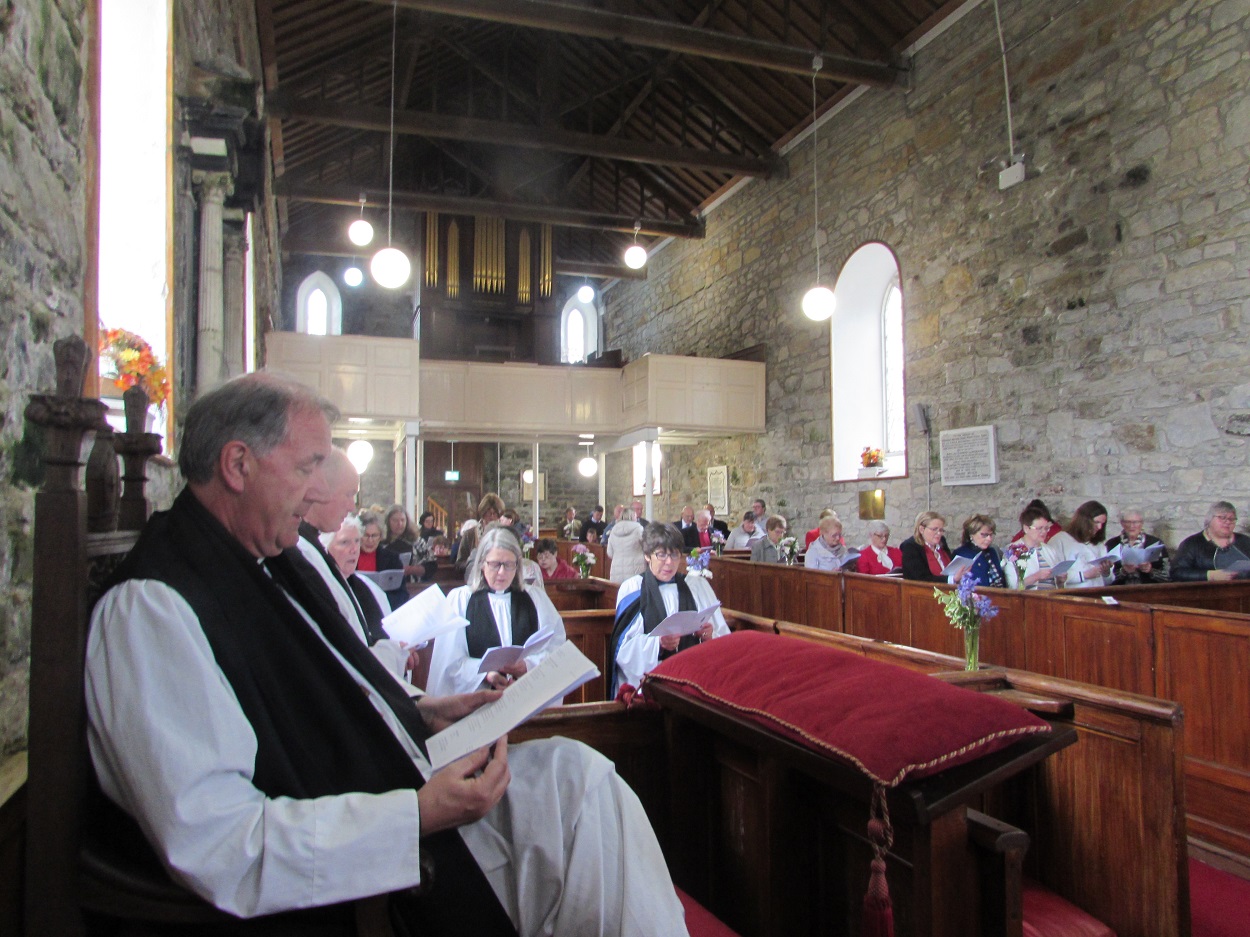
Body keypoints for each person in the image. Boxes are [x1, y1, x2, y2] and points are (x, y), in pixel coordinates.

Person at [85, 372, 687, 935]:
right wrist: (418, 815)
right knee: (586, 806)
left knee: (581, 778)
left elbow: (332, 693)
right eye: (306, 468)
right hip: (368, 868)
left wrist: (426, 713)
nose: (319, 493)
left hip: (395, 789)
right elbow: (218, 844)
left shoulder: (270, 566)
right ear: (238, 464)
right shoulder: (152, 611)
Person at [608, 523, 729, 697]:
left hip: (693, 685)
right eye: (661, 555)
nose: (669, 562)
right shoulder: (633, 589)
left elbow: (724, 639)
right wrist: (658, 644)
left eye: (674, 554)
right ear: (648, 556)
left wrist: (710, 636)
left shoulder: (697, 586)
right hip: (651, 687)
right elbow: (623, 649)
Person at [1171, 501, 1250, 581]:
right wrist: (1210, 575)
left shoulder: (1245, 542)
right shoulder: (1192, 544)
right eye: (1222, 518)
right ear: (1210, 519)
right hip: (1205, 591)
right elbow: (1176, 572)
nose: (1228, 522)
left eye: (1232, 519)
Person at [1048, 500, 1115, 588]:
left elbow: (1109, 581)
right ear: (1084, 521)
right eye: (1096, 522)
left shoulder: (1099, 544)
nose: (1099, 527)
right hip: (1073, 596)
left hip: (1097, 594)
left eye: (1102, 523)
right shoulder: (1060, 540)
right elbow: (1053, 575)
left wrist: (1106, 572)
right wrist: (1084, 575)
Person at [1003, 506, 1065, 589]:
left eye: (1046, 528)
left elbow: (1057, 585)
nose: (1044, 532)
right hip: (1029, 599)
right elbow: (1013, 587)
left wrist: (1061, 580)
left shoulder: (1050, 550)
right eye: (1039, 528)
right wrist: (1036, 576)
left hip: (1052, 598)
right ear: (1026, 528)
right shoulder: (1012, 551)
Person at [357, 510, 408, 610]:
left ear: (380, 536)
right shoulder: (350, 556)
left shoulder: (392, 558)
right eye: (366, 535)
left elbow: (402, 594)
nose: (370, 540)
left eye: (374, 535)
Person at [1106, 508, 1170, 584]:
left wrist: (1150, 570)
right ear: (1122, 523)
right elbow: (1105, 577)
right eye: (1128, 522)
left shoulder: (1155, 543)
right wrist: (1123, 571)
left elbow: (1168, 575)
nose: (1131, 526)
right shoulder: (1112, 544)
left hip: (1150, 591)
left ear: (1141, 523)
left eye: (1135, 522)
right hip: (1120, 591)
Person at [952, 514, 1006, 587]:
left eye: (991, 535)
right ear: (972, 535)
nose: (989, 539)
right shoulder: (962, 553)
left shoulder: (992, 552)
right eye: (984, 535)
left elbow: (1001, 580)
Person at [900, 511, 953, 582]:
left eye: (941, 530)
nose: (939, 533)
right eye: (934, 529)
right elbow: (920, 578)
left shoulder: (942, 542)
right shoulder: (910, 547)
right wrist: (951, 579)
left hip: (948, 589)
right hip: (921, 591)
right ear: (921, 529)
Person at [456, 493, 504, 569]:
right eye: (488, 513)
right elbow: (459, 563)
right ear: (483, 513)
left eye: (494, 513)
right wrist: (475, 565)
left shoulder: (505, 534)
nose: (492, 516)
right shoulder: (470, 534)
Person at [606, 508, 646, 582]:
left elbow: (610, 553)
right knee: (635, 592)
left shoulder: (613, 530)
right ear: (633, 516)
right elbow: (646, 547)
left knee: (619, 591)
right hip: (636, 568)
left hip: (617, 569)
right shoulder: (639, 529)